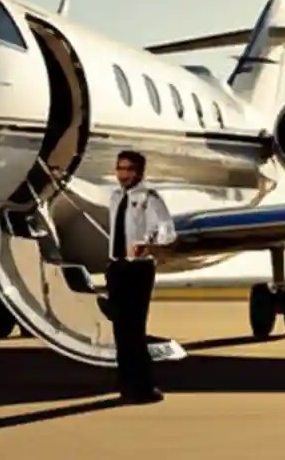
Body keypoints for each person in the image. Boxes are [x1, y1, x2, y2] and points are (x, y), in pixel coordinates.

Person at [105, 149, 176, 404]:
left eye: (128, 169)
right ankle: (126, 386)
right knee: (120, 333)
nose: (122, 174)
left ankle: (143, 388)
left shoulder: (149, 197)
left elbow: (168, 230)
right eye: (119, 169)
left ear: (139, 172)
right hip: (117, 268)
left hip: (138, 269)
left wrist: (149, 244)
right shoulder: (114, 197)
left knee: (135, 331)